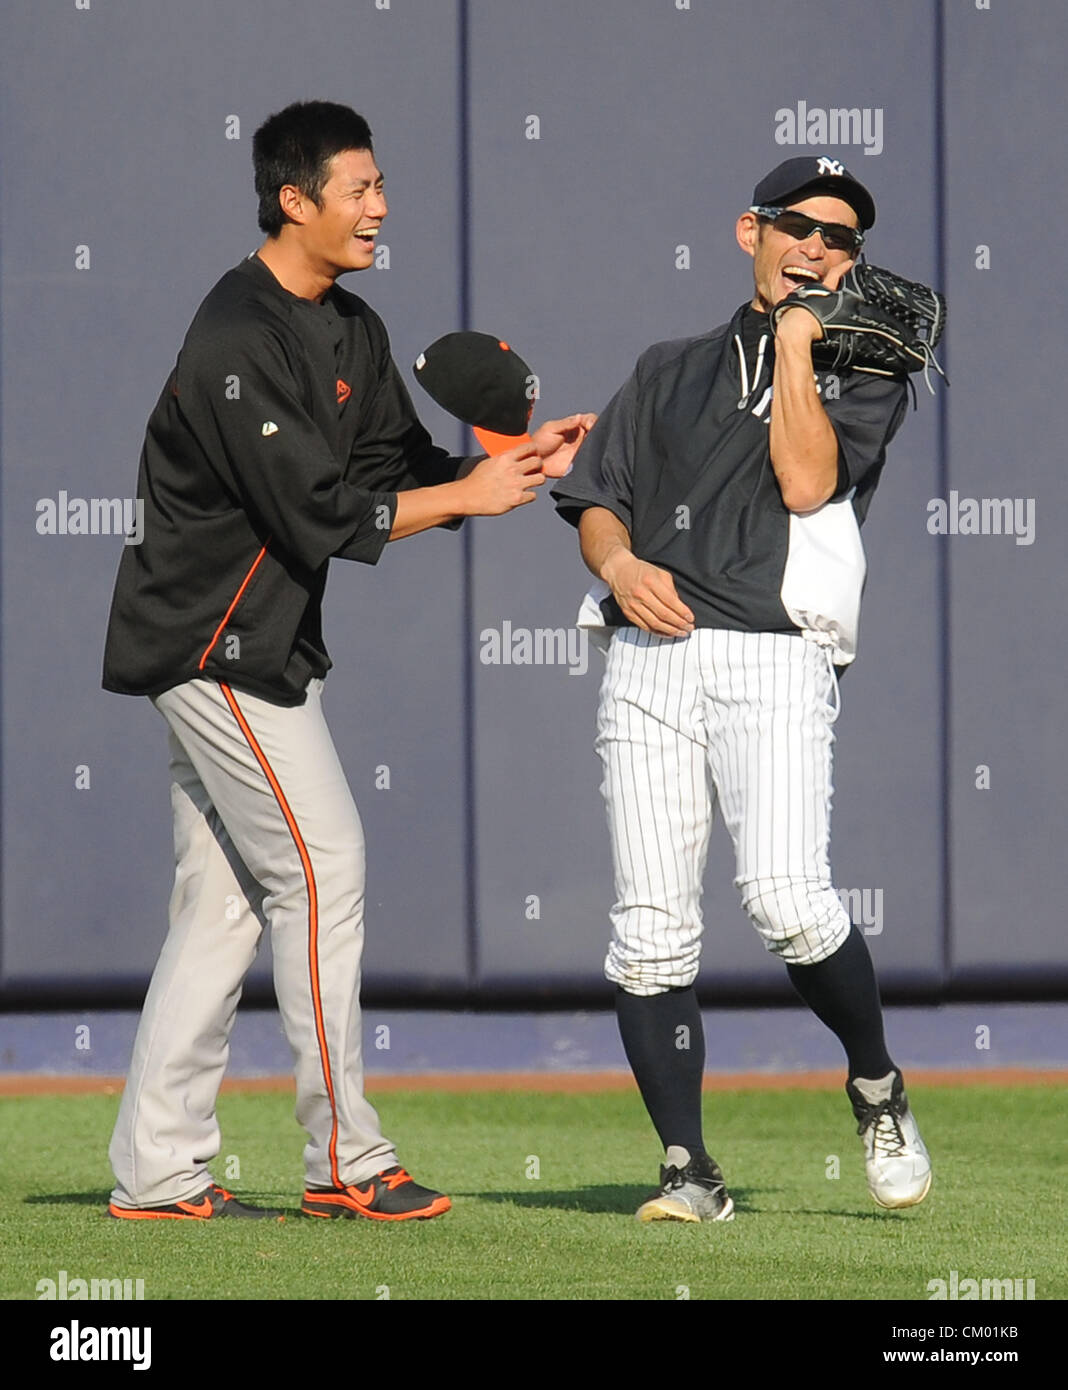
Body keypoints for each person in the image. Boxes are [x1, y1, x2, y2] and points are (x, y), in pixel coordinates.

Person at [102, 99, 592, 1221]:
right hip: (209, 643)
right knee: (326, 869)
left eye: (379, 186)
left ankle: (156, 1172)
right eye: (360, 188)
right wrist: (457, 493)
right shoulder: (235, 334)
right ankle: (347, 1162)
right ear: (295, 198)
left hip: (262, 644)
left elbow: (397, 464)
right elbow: (319, 513)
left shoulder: (352, 327)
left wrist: (510, 462)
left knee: (223, 905)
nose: (380, 206)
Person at [551, 156, 932, 1223]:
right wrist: (619, 567)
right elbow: (596, 500)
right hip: (648, 658)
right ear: (748, 231)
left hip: (775, 652)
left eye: (840, 238)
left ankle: (875, 1084)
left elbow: (807, 480)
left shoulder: (868, 371)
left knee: (788, 902)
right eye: (796, 225)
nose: (816, 247)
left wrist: (804, 343)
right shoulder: (668, 366)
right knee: (651, 932)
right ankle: (689, 1170)